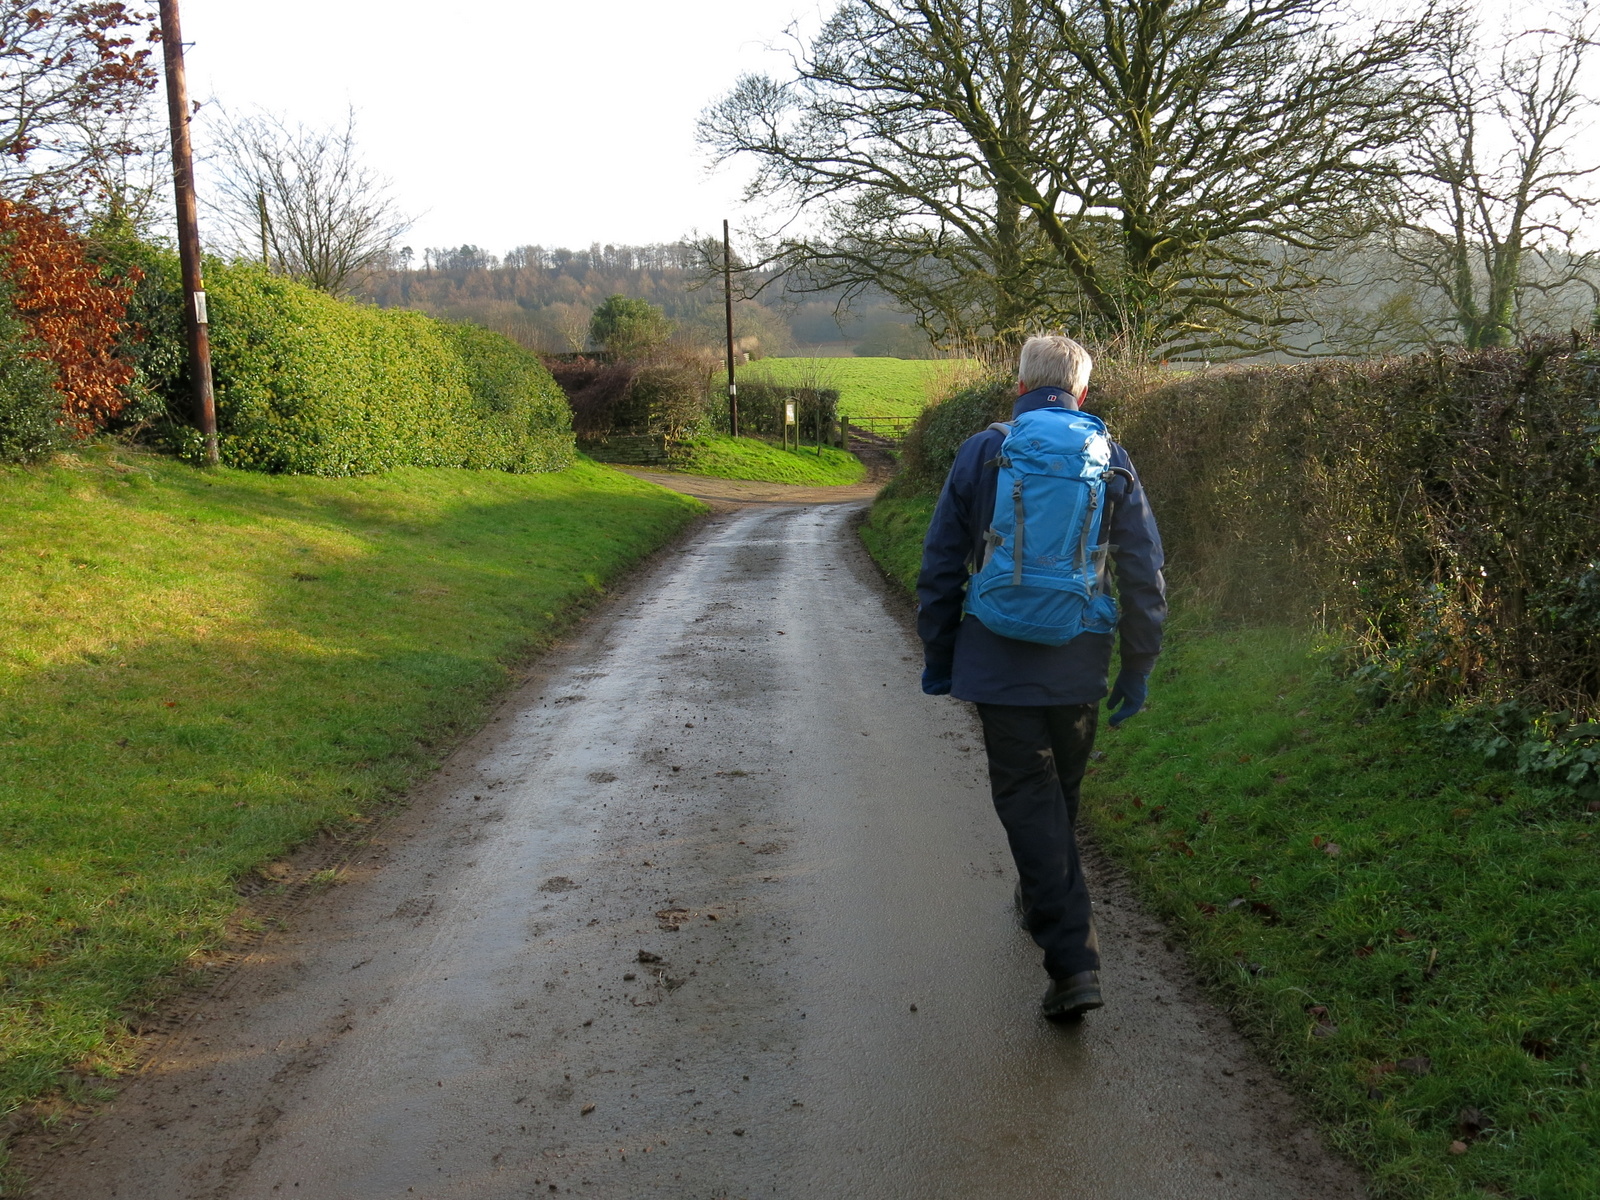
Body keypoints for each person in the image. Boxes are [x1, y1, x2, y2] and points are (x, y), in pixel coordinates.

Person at [916, 335, 1166, 1020]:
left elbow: (940, 565)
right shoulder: (1110, 459)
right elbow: (1145, 572)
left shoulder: (982, 451)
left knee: (1033, 803)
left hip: (999, 661)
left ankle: (1073, 964)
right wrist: (1137, 667)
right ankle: (1044, 898)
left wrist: (941, 656)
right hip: (1080, 659)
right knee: (1056, 796)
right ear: (1082, 393)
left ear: (1019, 386)